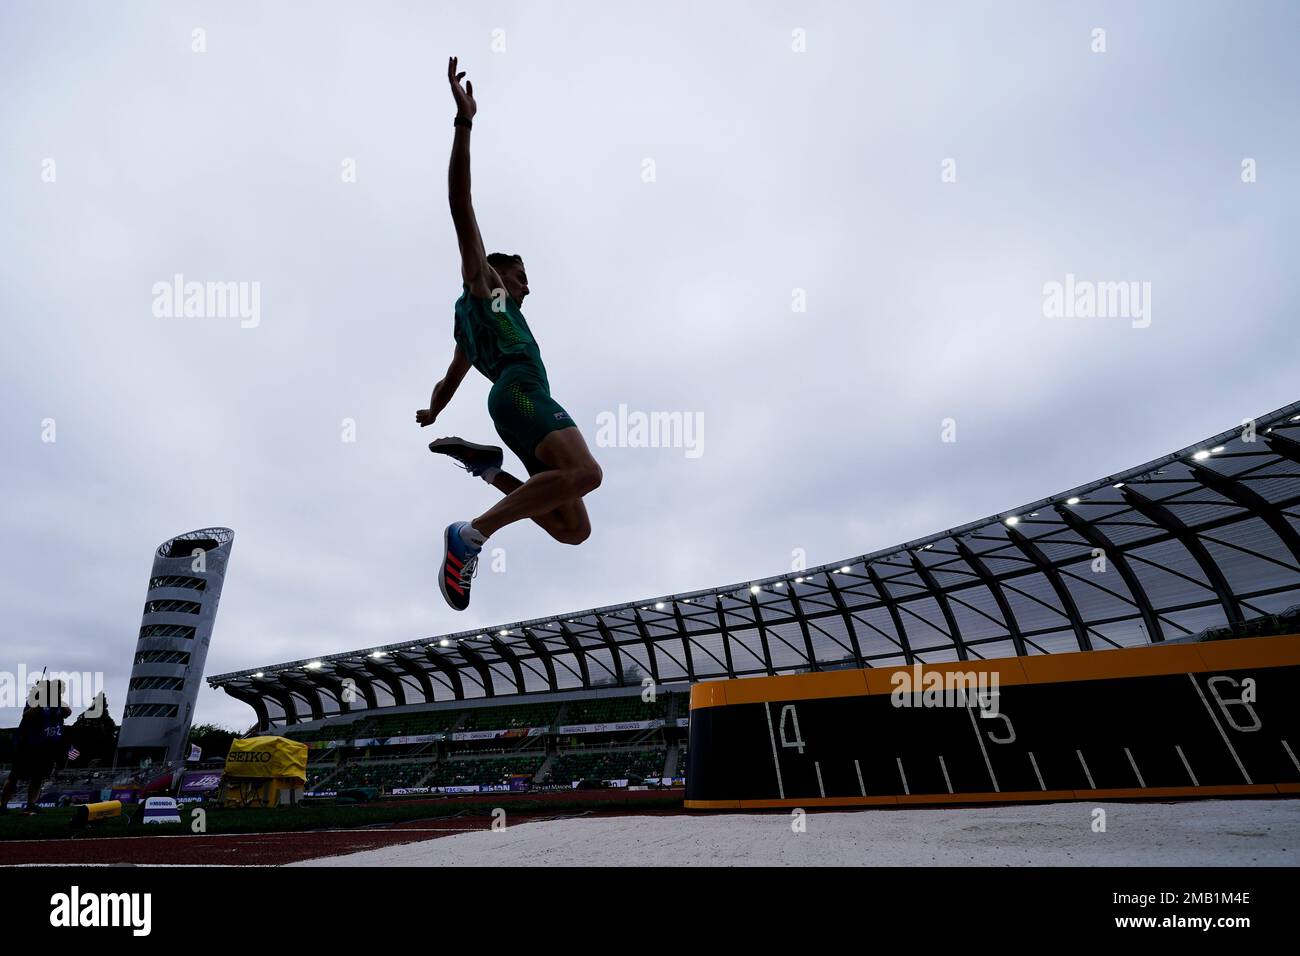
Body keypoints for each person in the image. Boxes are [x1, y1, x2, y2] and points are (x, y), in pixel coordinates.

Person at [417, 56, 603, 611]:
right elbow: (461, 207)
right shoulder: (485, 288)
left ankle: (491, 471)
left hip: (509, 405)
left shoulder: (470, 327)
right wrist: (464, 122)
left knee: (574, 529)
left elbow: (450, 378)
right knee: (586, 473)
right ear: (498, 271)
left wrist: (432, 412)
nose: (525, 285)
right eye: (519, 274)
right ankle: (471, 534)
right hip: (521, 389)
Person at [0, 680, 71, 815]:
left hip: (47, 747)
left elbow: (68, 712)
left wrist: (57, 699)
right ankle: (3, 804)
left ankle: (31, 804)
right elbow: (26, 715)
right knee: (15, 776)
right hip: (28, 746)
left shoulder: (58, 704)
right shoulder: (34, 701)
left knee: (38, 777)